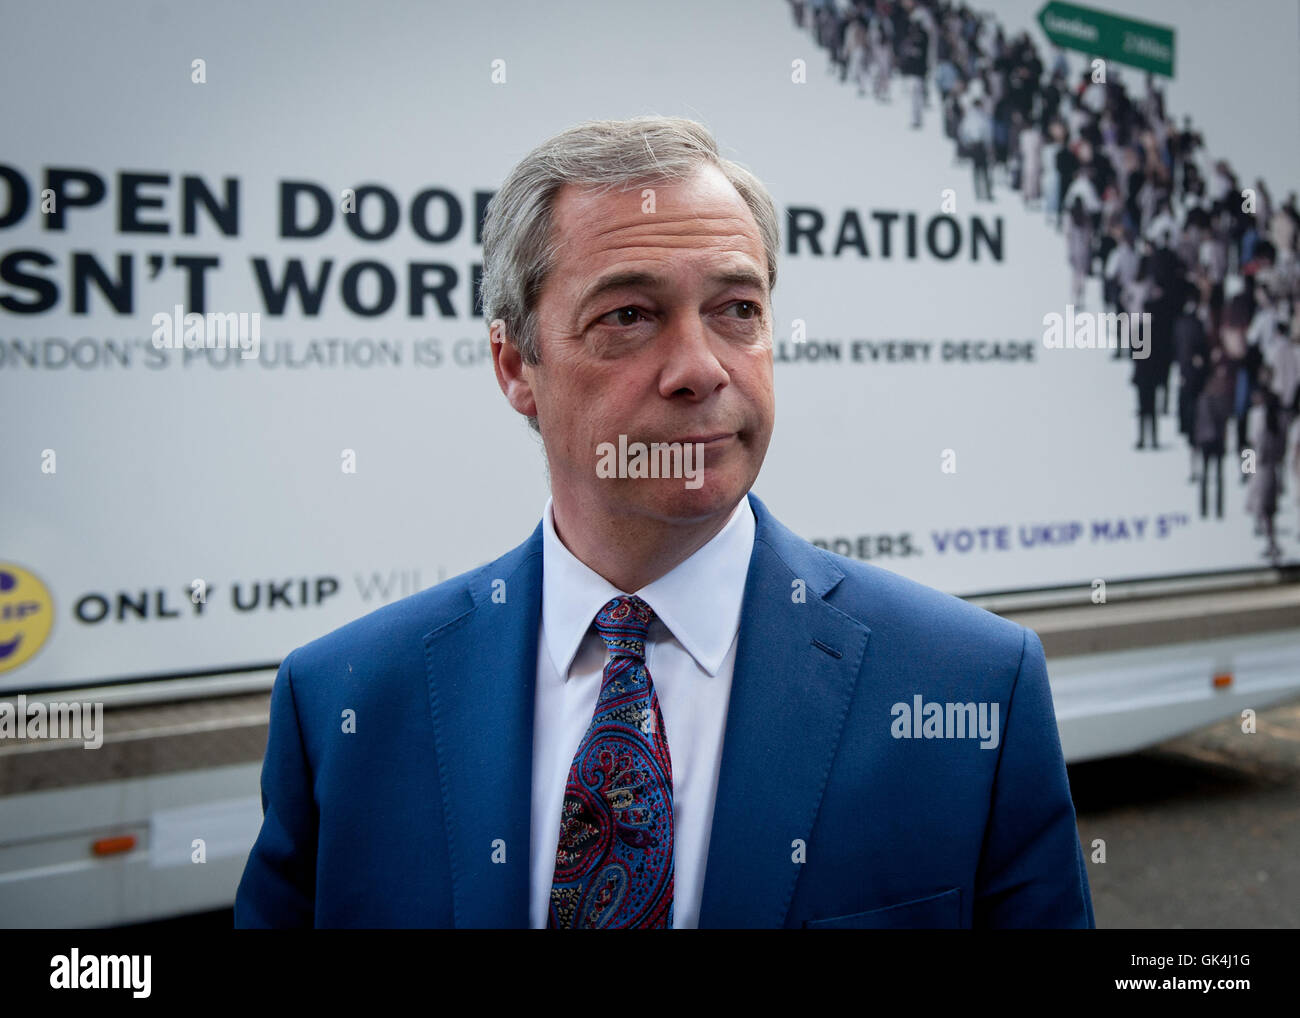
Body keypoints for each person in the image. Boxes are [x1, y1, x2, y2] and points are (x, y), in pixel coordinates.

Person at [234, 116, 1094, 930]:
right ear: (515, 365)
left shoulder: (971, 686)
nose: (699, 369)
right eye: (629, 316)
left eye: (736, 310)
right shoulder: (344, 705)